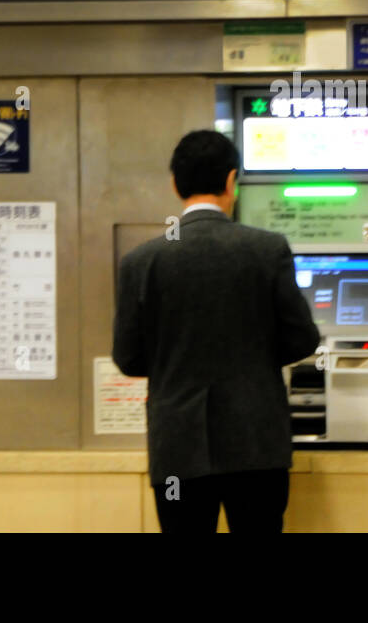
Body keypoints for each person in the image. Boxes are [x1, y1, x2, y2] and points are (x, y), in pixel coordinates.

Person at [113, 129, 321, 533]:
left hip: (177, 452)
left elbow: (129, 358)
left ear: (175, 185)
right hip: (257, 447)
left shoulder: (142, 261)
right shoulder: (267, 249)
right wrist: (256, 356)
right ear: (232, 181)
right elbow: (303, 338)